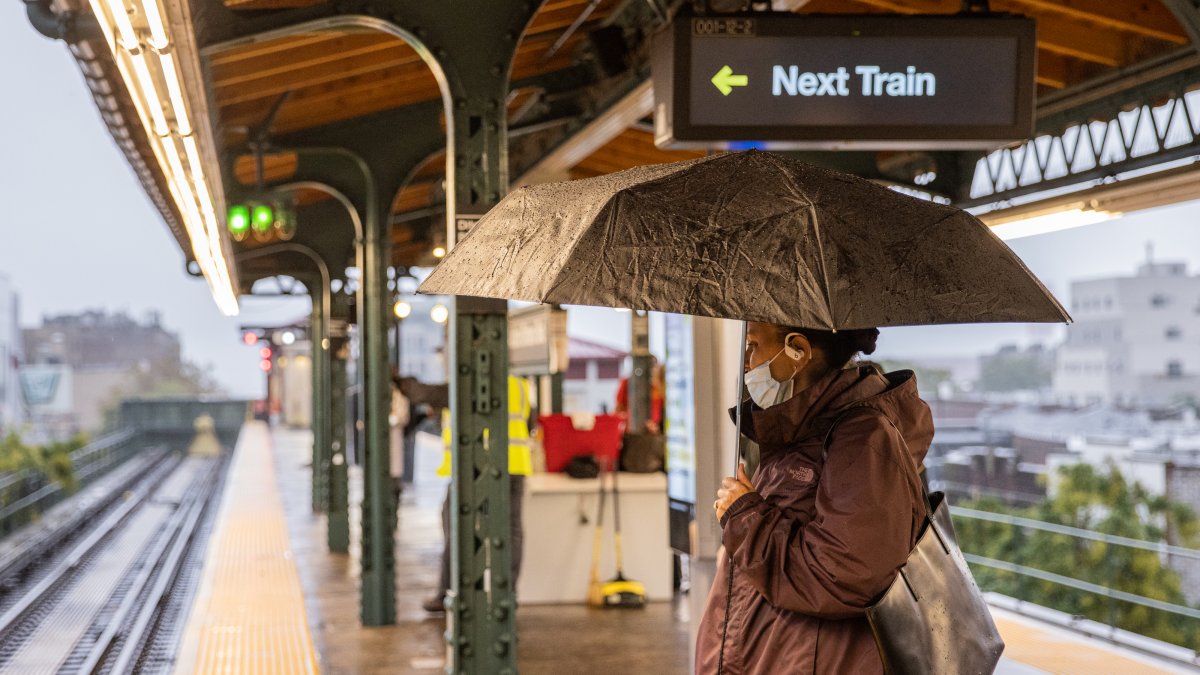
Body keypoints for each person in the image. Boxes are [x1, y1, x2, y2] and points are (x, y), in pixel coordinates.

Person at [697, 322, 932, 674]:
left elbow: (846, 574)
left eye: (755, 345)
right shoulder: (803, 431)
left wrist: (745, 521)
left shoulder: (863, 438)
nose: (747, 362)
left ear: (797, 351)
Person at [424, 375, 534, 613]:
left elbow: (423, 393)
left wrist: (398, 380)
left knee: (456, 527)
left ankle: (449, 591)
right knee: (511, 530)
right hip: (515, 466)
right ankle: (506, 593)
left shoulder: (466, 378)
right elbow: (531, 423)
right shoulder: (520, 385)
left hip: (475, 469)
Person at [614, 355, 665, 433]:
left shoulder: (659, 386)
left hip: (654, 432)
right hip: (631, 431)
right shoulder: (628, 383)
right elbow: (618, 409)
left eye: (652, 366)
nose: (649, 370)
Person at [389, 375, 410, 504]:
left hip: (395, 435)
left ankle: (395, 492)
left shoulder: (400, 395)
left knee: (395, 467)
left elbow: (403, 416)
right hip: (390, 438)